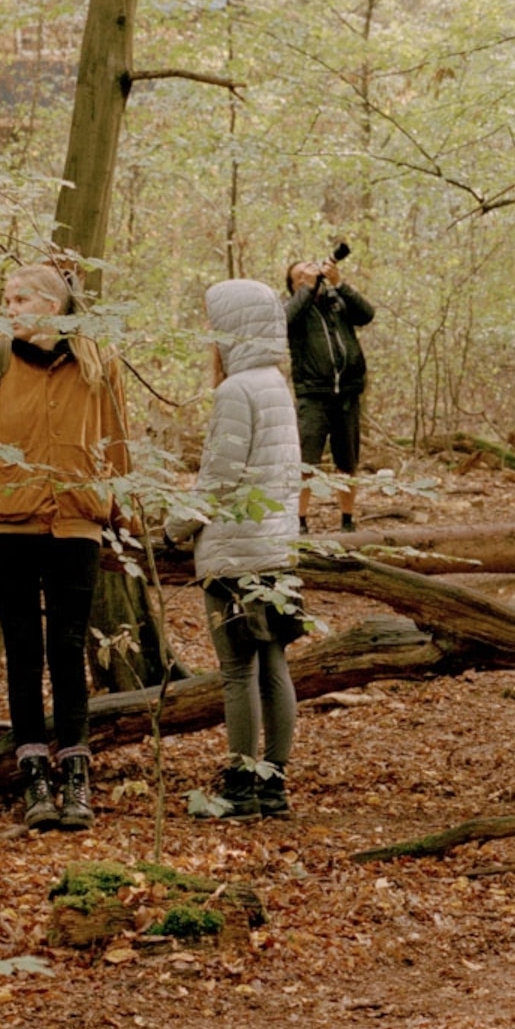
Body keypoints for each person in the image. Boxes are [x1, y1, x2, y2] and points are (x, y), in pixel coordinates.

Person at [0, 263, 130, 833]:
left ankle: (76, 776)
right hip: (4, 519)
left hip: (76, 518)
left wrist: (126, 513)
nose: (9, 308)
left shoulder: (96, 360)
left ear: (53, 305)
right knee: (23, 647)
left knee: (67, 646)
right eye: (6, 299)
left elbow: (116, 438)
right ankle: (34, 773)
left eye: (20, 299)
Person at [186, 278, 307, 819]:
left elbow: (219, 476)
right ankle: (274, 782)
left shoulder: (236, 391)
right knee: (274, 664)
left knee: (239, 673)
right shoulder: (276, 383)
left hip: (236, 554)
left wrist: (173, 525)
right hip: (277, 549)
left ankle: (241, 785)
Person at [284, 255, 375, 532]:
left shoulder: (337, 302)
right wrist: (306, 290)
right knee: (305, 460)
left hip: (347, 392)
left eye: (310, 270)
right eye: (300, 274)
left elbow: (367, 314)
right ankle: (299, 521)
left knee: (347, 460)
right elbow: (284, 322)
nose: (308, 275)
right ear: (293, 285)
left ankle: (347, 520)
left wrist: (340, 283)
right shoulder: (294, 308)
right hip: (313, 394)